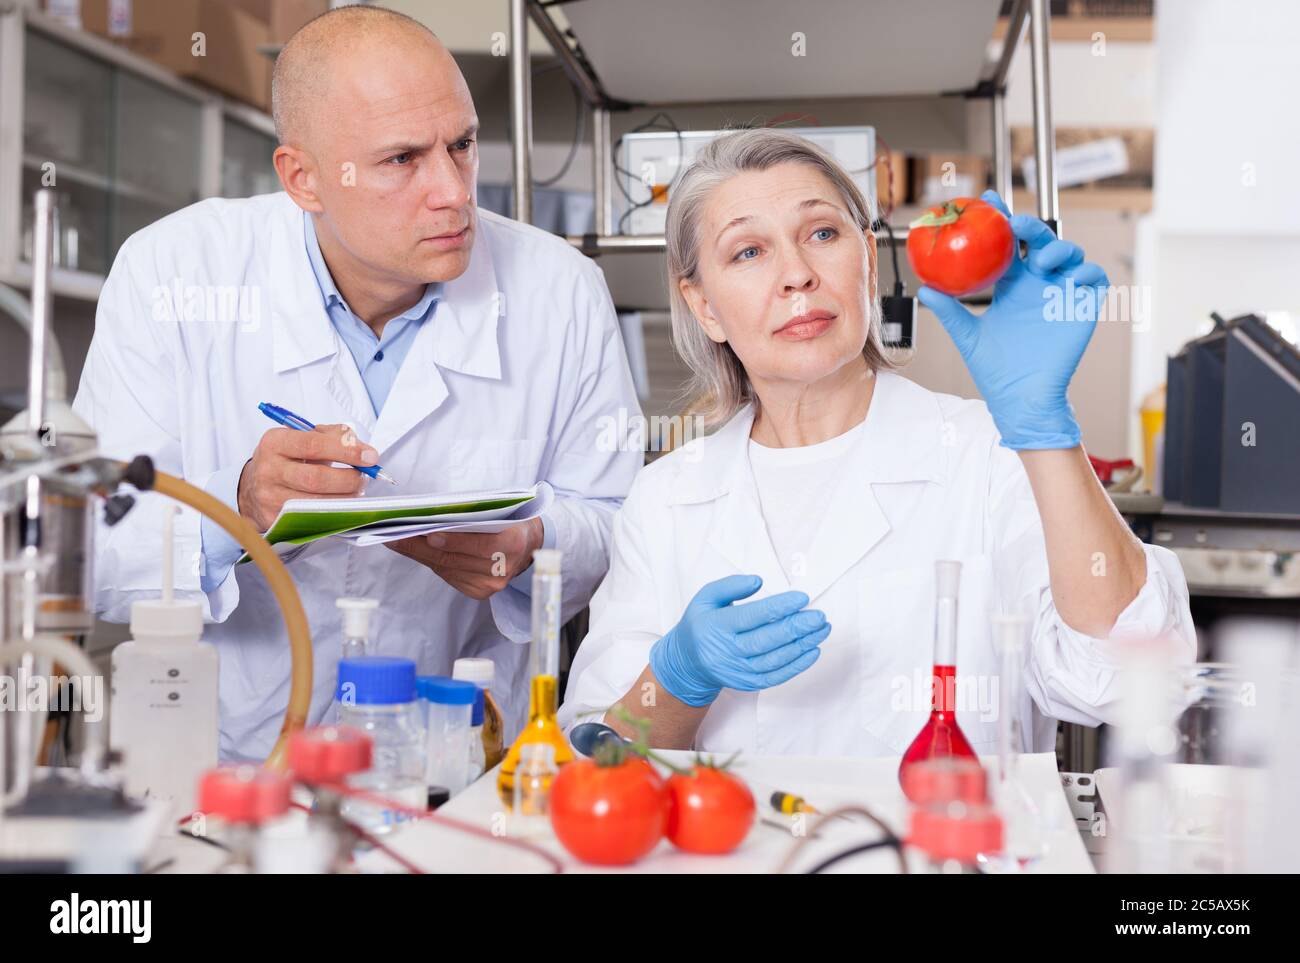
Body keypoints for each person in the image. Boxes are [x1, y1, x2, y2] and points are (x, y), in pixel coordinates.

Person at [73, 6, 640, 760]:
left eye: (462, 145)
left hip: (460, 766)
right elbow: (89, 549)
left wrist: (532, 543)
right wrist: (235, 508)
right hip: (226, 769)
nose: (452, 191)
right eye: (402, 159)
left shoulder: (560, 290)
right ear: (302, 177)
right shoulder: (173, 274)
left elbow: (619, 524)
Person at [560, 128, 1195, 755]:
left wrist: (1046, 431)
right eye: (748, 252)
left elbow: (1130, 681)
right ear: (703, 305)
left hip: (942, 856)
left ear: (867, 260)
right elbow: (602, 754)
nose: (797, 275)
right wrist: (680, 678)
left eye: (822, 234)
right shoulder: (666, 497)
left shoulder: (990, 454)